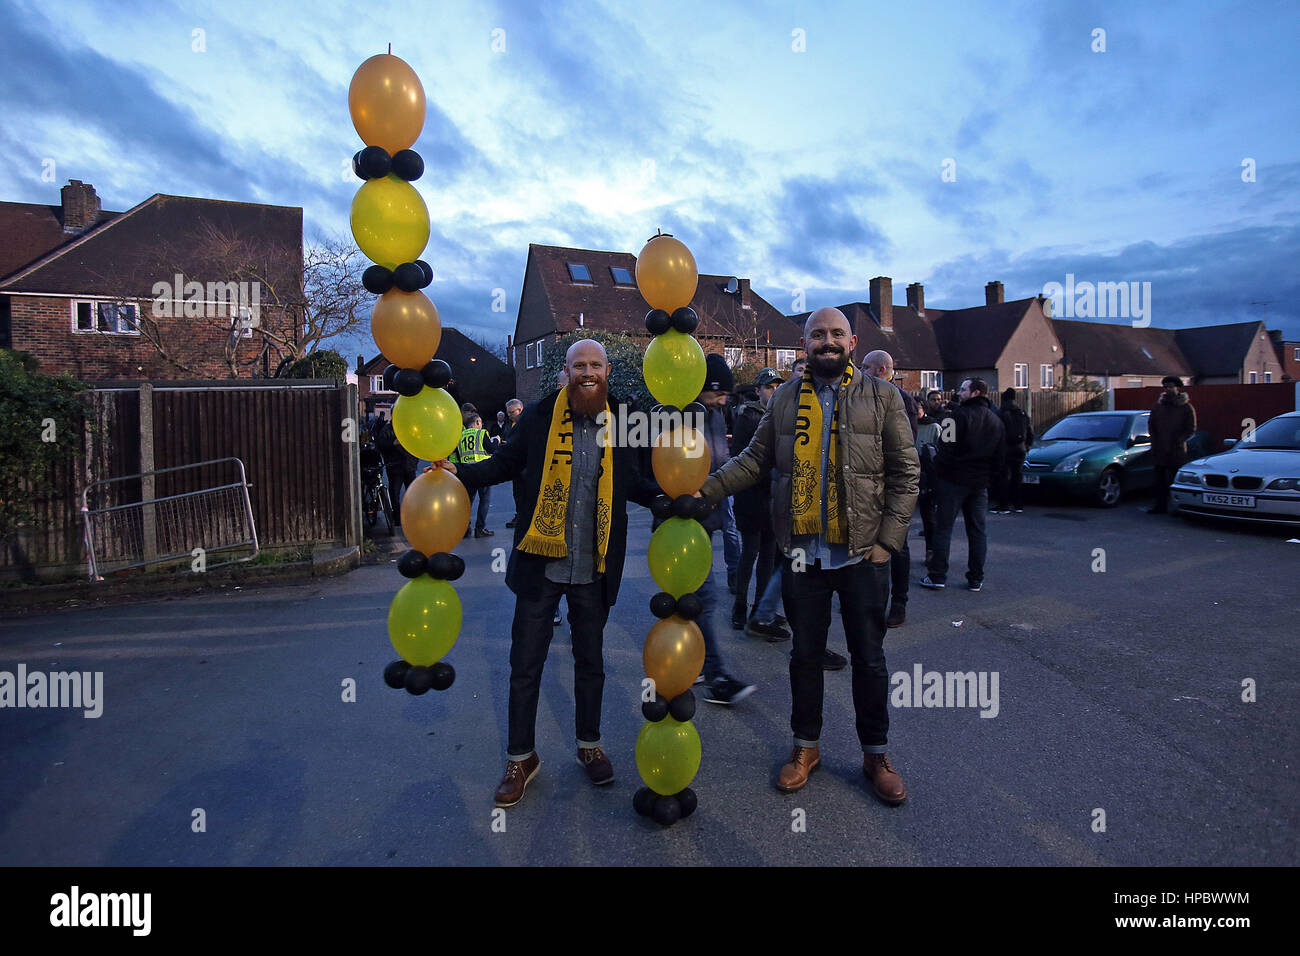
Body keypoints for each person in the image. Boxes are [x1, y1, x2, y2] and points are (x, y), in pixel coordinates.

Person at [700, 308, 919, 805]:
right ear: (805, 344)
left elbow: (907, 474)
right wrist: (707, 489)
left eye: (836, 334)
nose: (827, 341)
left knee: (869, 659)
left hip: (863, 553)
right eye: (818, 334)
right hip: (801, 553)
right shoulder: (784, 398)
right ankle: (805, 748)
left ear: (853, 342)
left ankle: (875, 754)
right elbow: (755, 459)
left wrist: (887, 543)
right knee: (803, 656)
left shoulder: (882, 397)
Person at [440, 339, 661, 807]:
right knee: (525, 665)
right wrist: (457, 473)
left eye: (595, 365)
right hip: (542, 564)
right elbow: (503, 464)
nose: (588, 372)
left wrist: (670, 499)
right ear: (566, 371)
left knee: (591, 663)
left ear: (606, 371)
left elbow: (634, 482)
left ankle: (589, 744)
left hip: (595, 563)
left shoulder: (622, 419)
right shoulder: (539, 417)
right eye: (579, 365)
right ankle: (521, 757)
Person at [690, 354, 759, 705]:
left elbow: (719, 458)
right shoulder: (685, 415)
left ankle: (692, 664)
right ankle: (716, 675)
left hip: (708, 517)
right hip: (687, 521)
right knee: (703, 598)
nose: (724, 400)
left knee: (690, 601)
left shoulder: (714, 415)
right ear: (707, 388)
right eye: (720, 394)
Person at [921, 378, 1004, 592]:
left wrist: (939, 473)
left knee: (943, 529)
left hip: (953, 481)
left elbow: (944, 450)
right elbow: (1000, 458)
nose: (959, 392)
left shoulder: (955, 417)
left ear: (975, 393)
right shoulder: (996, 421)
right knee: (977, 531)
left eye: (963, 389)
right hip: (979, 484)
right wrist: (989, 479)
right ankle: (976, 578)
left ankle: (937, 575)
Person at [730, 368, 788, 640]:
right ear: (758, 390)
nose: (773, 391)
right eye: (769, 387)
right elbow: (750, 458)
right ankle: (740, 605)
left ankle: (759, 610)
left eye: (777, 386)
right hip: (752, 497)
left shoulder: (782, 415)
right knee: (750, 553)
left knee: (767, 556)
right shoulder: (749, 415)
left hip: (773, 498)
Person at [862, 350, 918, 629]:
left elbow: (904, 451)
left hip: (892, 488)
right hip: (870, 488)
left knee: (897, 546)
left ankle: (898, 603)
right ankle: (872, 603)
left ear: (882, 369)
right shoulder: (865, 397)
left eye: (866, 367)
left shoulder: (900, 400)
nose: (862, 372)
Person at [1148, 375, 1197, 515]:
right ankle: (1160, 506)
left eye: (1171, 387)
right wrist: (1155, 441)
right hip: (1160, 449)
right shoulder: (1158, 407)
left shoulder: (1186, 407)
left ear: (1177, 388)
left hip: (1177, 450)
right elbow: (1151, 424)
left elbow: (1191, 428)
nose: (1168, 389)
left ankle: (1179, 507)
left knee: (1177, 481)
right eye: (1166, 387)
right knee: (1160, 481)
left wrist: (1179, 440)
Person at [451, 412, 494, 538]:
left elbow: (458, 456)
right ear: (477, 422)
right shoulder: (481, 433)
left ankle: (465, 528)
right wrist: (496, 441)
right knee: (484, 500)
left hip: (467, 472)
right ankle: (480, 529)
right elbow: (492, 449)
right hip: (482, 470)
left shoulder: (460, 436)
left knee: (467, 501)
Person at [991, 388, 1033, 514]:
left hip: (1005, 449)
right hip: (1020, 448)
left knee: (1003, 477)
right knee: (1017, 476)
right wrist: (1027, 445)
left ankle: (1003, 506)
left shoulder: (1000, 412)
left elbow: (995, 431)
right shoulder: (1022, 413)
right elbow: (1030, 430)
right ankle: (1018, 505)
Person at [915, 389, 945, 561]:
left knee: (928, 516)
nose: (916, 410)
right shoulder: (907, 424)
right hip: (909, 474)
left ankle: (931, 550)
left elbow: (941, 449)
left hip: (927, 475)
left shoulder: (934, 426)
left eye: (918, 407)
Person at [375, 413, 417, 521]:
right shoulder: (387, 429)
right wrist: (392, 443)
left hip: (409, 466)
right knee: (394, 493)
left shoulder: (410, 428)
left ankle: (413, 516)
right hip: (395, 467)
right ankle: (396, 517)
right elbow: (380, 444)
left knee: (413, 492)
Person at [499, 399, 524, 529]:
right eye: (508, 413)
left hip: (525, 467)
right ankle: (519, 515)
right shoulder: (510, 424)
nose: (509, 415)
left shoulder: (526, 423)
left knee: (524, 493)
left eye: (511, 412)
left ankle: (523, 517)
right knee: (517, 493)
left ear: (520, 410)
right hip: (515, 466)